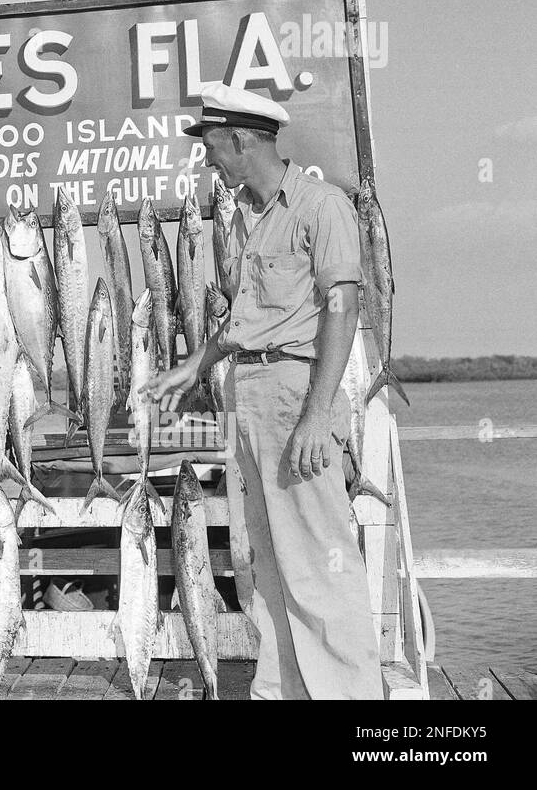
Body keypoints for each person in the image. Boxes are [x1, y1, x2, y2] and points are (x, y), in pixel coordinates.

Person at [143, 82, 382, 700]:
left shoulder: (320, 206)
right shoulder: (248, 218)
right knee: (265, 566)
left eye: (211, 144)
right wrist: (197, 362)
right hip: (247, 397)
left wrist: (317, 413)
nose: (206, 158)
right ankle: (281, 692)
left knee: (319, 563)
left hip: (294, 395)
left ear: (242, 139)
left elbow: (342, 306)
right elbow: (250, 321)